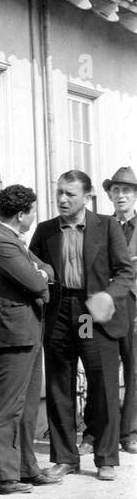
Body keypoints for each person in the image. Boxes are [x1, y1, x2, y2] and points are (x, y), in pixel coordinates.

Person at [29, 170, 135, 481]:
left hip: (89, 313)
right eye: (59, 192)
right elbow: (33, 267)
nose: (62, 199)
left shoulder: (107, 226)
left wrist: (108, 297)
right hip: (60, 311)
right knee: (59, 383)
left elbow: (125, 273)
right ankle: (65, 458)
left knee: (100, 382)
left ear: (86, 197)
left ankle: (105, 457)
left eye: (70, 194)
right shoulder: (46, 231)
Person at [0, 184, 59, 494]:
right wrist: (40, 276)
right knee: (5, 406)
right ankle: (2, 476)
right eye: (32, 213)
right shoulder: (0, 242)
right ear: (21, 214)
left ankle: (26, 468)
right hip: (12, 335)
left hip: (26, 332)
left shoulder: (12, 241)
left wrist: (41, 274)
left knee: (26, 407)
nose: (33, 218)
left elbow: (48, 271)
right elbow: (36, 281)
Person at [100, 167, 137, 455]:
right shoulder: (102, 226)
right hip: (106, 305)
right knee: (103, 368)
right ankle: (99, 432)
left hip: (134, 303)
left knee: (134, 367)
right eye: (116, 191)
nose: (121, 195)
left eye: (126, 191)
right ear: (110, 195)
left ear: (135, 196)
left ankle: (130, 432)